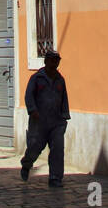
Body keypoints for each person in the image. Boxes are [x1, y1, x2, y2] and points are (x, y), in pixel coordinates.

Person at [20, 50, 70, 187]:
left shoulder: (60, 80)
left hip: (56, 121)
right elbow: (28, 96)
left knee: (57, 149)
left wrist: (65, 114)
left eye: (56, 61)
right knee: (35, 147)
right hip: (39, 121)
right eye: (52, 60)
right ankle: (27, 164)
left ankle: (55, 177)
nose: (54, 63)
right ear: (46, 61)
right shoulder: (36, 78)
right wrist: (33, 110)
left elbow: (64, 98)